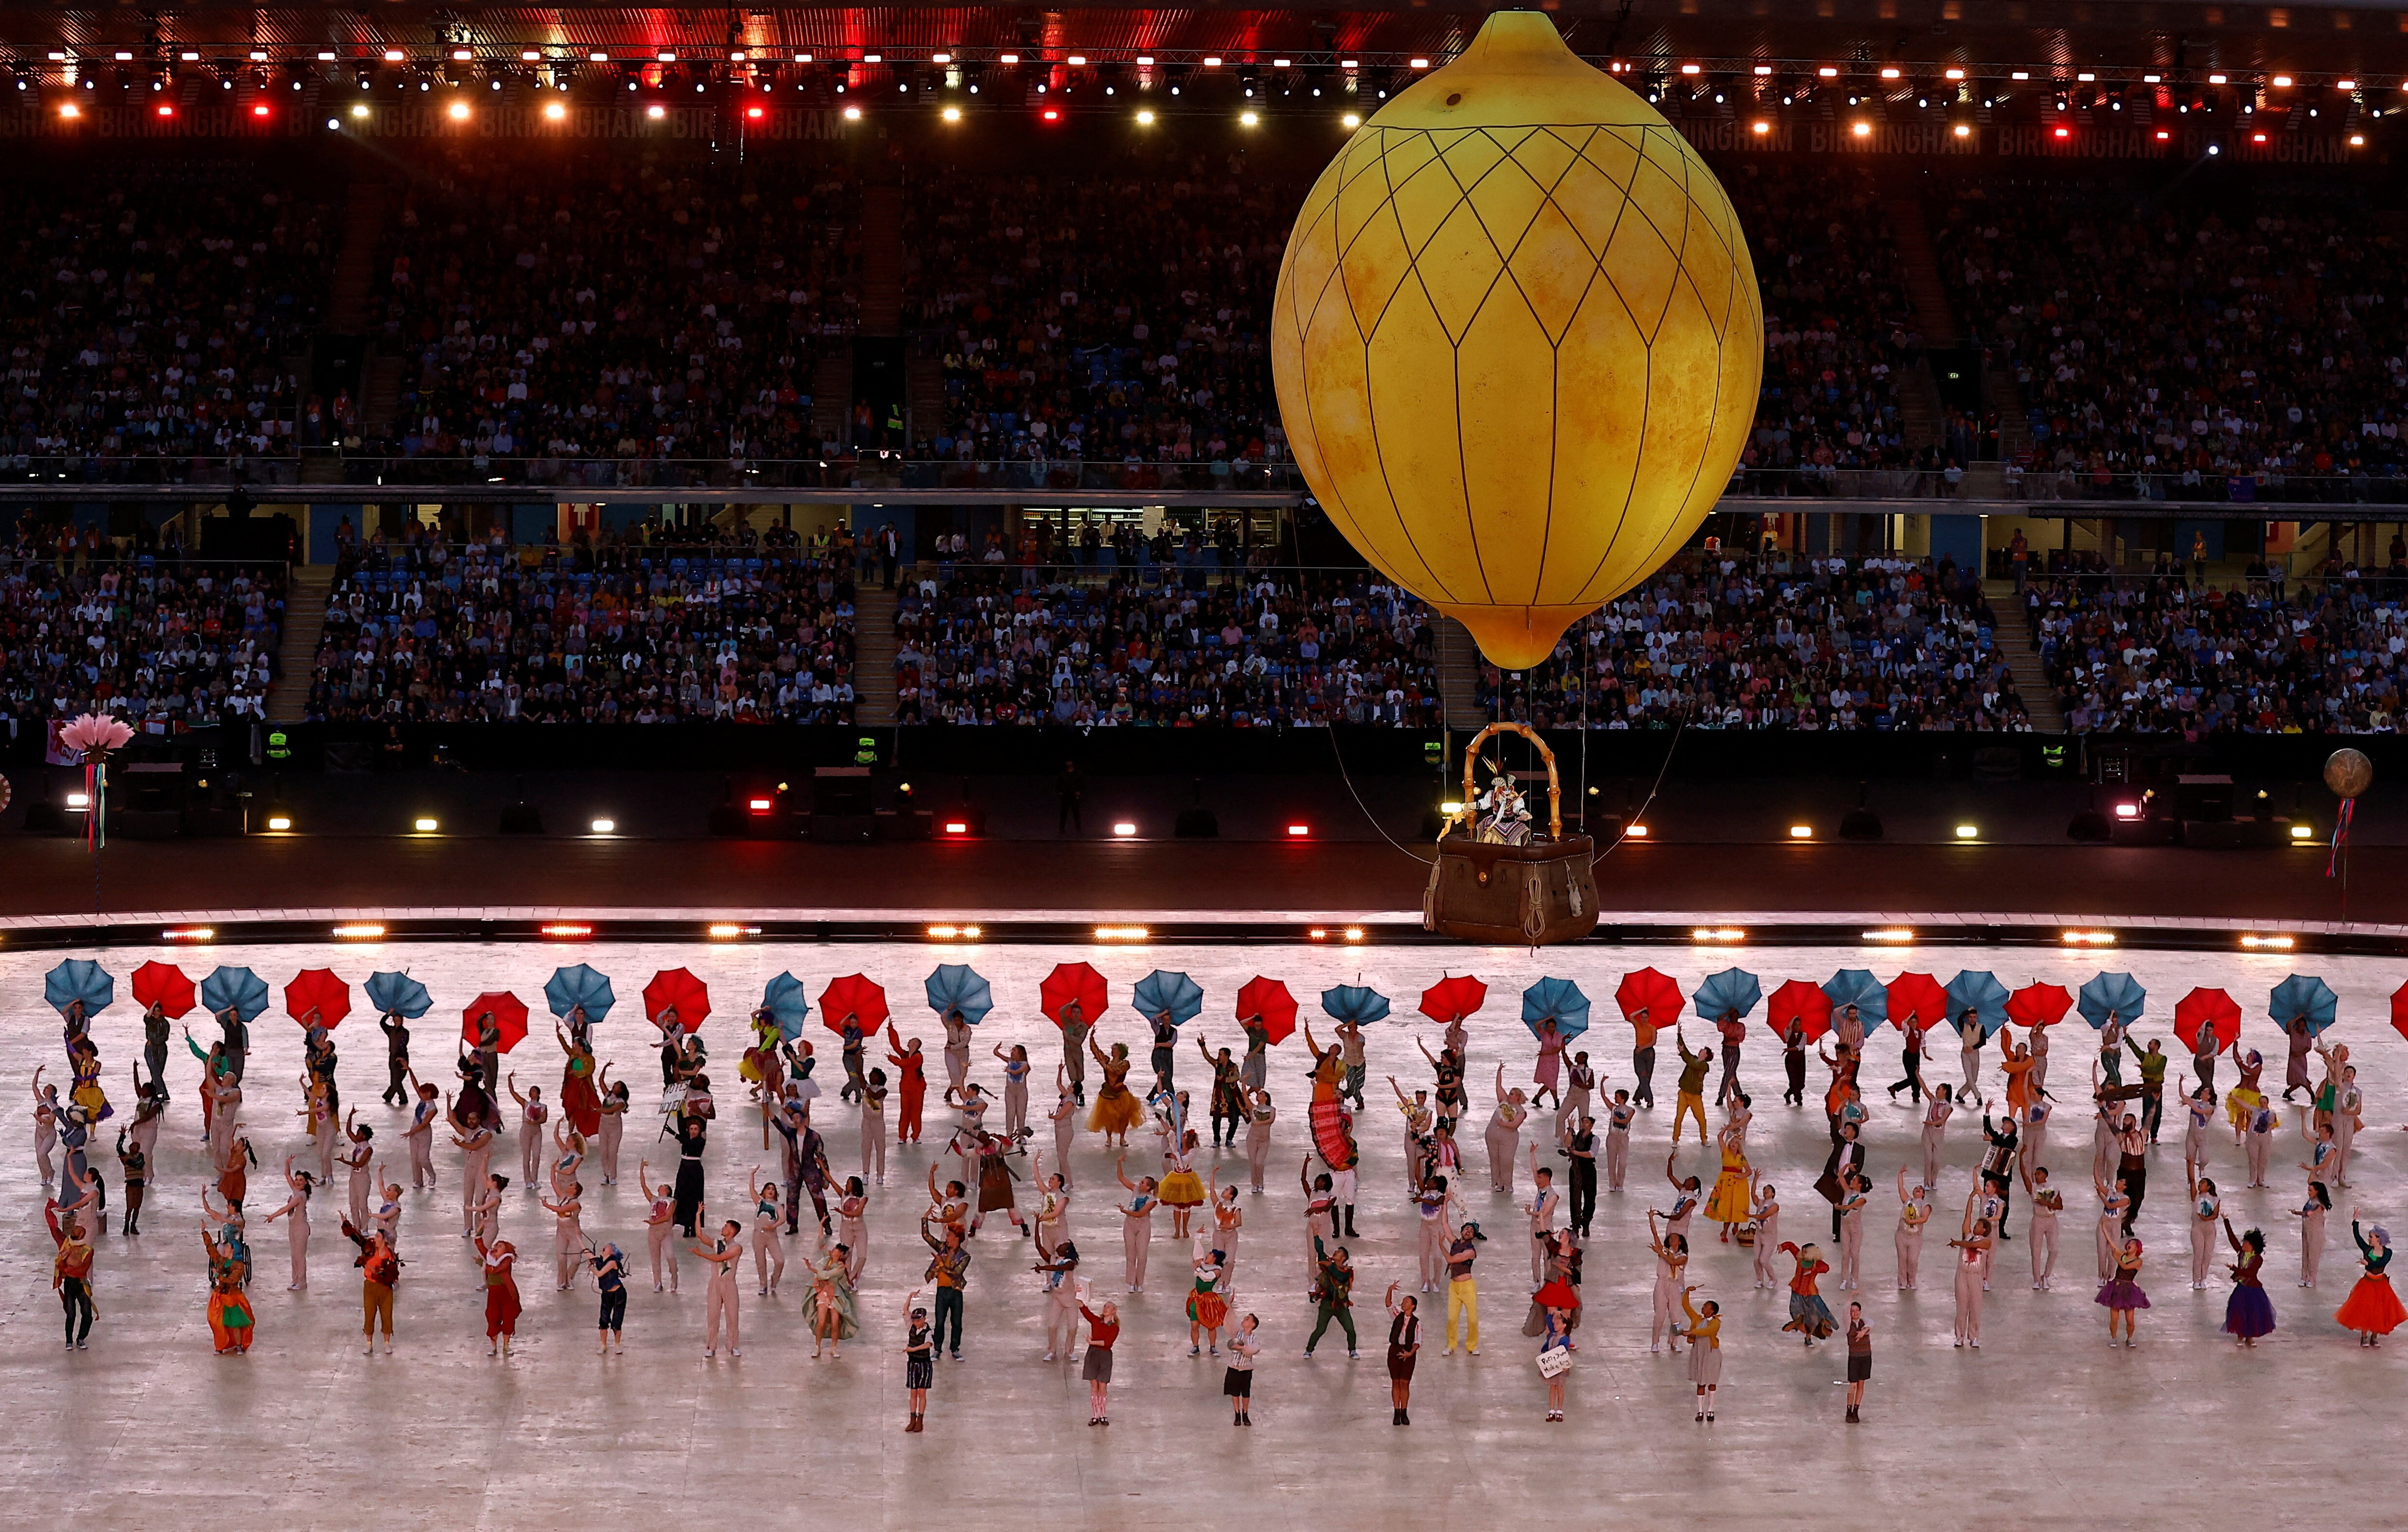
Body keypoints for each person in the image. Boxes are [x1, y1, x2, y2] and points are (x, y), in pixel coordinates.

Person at [2336, 1221, 2406, 1346]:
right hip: (2367, 1283)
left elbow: (2380, 1263)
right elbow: (2358, 1238)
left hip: (2381, 1284)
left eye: (2371, 1237)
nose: (2369, 1239)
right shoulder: (2367, 1249)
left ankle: (2374, 1336)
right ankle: (2364, 1337)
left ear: (2379, 1239)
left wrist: (2367, 1264)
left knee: (2379, 1309)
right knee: (2366, 1308)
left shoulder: (2388, 1253)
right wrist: (2355, 1222)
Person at [342, 1215, 404, 1355]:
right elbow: (358, 1239)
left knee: (386, 1316)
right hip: (370, 1287)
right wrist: (346, 1224)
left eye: (377, 1237)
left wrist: (378, 1272)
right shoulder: (370, 1247)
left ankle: (387, 1344)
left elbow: (393, 1274)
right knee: (369, 1315)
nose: (374, 1239)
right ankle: (369, 1344)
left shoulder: (390, 1257)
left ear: (384, 1240)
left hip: (385, 1289)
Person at [46, 1198, 94, 1349]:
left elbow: (82, 1270)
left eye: (76, 1231)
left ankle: (80, 1338)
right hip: (70, 1284)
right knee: (71, 1315)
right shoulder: (65, 1244)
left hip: (81, 1283)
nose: (74, 1231)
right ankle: (69, 1341)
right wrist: (49, 1210)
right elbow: (54, 1230)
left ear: (81, 1236)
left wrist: (63, 1266)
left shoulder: (87, 1251)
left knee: (87, 1314)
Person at [921, 1213, 971, 1359]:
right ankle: (937, 1349)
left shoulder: (965, 1256)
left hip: (955, 1292)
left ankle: (955, 1348)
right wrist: (925, 1220)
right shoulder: (942, 1248)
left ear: (957, 1239)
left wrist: (941, 1264)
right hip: (942, 1291)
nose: (946, 1238)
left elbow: (956, 1273)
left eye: (949, 1236)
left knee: (956, 1322)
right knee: (940, 1321)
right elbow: (927, 1236)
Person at [693, 1219, 745, 1359]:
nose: (723, 1228)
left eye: (726, 1226)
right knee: (713, 1316)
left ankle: (734, 1346)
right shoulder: (718, 1244)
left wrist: (700, 1254)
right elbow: (700, 1235)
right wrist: (698, 1216)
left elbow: (720, 1258)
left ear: (732, 1231)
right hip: (715, 1283)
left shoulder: (737, 1248)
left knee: (732, 1316)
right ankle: (711, 1346)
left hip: (729, 1284)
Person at [2222, 1218, 2276, 1345]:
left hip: (2254, 1290)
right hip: (2242, 1288)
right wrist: (2226, 1222)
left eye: (2247, 1243)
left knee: (2253, 1314)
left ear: (2253, 1246)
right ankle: (2241, 1336)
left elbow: (2250, 1273)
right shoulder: (2241, 1253)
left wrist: (2235, 1269)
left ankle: (2250, 1337)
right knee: (2239, 1311)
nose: (2244, 1244)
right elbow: (2232, 1240)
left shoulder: (2258, 1259)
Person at [204, 1221, 255, 1354]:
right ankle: (220, 1346)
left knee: (235, 1323)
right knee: (218, 1322)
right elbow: (211, 1250)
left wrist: (218, 1275)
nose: (224, 1250)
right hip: (221, 1296)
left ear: (232, 1250)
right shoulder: (222, 1261)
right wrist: (205, 1233)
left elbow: (232, 1280)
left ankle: (239, 1346)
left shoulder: (239, 1266)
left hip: (232, 1297)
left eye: (227, 1248)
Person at [1305, 1233, 1359, 1359]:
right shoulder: (1328, 1266)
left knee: (1350, 1329)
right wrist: (1316, 1236)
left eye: (1339, 1252)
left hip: (1341, 1305)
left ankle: (1353, 1350)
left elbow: (1339, 1276)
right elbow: (1320, 1251)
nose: (1335, 1252)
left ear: (1344, 1257)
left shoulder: (1347, 1272)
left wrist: (1330, 1266)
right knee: (1320, 1329)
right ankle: (1309, 1350)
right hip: (1327, 1305)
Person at [1676, 1286, 1722, 1422]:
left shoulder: (1716, 1323)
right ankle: (1701, 1411)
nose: (1702, 1308)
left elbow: (1707, 1332)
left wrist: (1691, 1332)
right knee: (1701, 1383)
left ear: (1712, 1311)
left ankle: (1711, 1410)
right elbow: (1686, 1306)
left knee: (1712, 1382)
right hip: (1699, 1353)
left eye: (1705, 1306)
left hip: (1711, 1353)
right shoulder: (1698, 1319)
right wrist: (1687, 1293)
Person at [1646, 1209, 1689, 1354]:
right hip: (1661, 1284)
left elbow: (1673, 1262)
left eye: (1674, 1238)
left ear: (1680, 1241)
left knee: (1676, 1317)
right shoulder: (1664, 1250)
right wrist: (1651, 1218)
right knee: (1660, 1316)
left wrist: (1659, 1253)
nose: (1672, 1240)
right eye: (1670, 1238)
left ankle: (1674, 1342)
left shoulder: (1683, 1256)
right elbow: (1655, 1234)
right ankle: (1655, 1342)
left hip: (1675, 1286)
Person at [1780, 1241, 1836, 1346]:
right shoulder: (1800, 1259)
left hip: (1810, 1294)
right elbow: (1792, 1246)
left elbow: (1826, 1268)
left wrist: (1813, 1271)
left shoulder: (1816, 1263)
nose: (1804, 1253)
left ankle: (1808, 1337)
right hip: (1797, 1292)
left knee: (1812, 1318)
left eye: (1806, 1251)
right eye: (1803, 1251)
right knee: (1795, 1312)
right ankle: (1797, 1325)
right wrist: (1783, 1247)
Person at [1948, 1219, 1993, 1348]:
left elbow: (1973, 1246)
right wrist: (1971, 1200)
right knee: (1962, 1307)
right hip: (1962, 1275)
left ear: (1984, 1230)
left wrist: (1957, 1243)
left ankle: (1974, 1337)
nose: (1975, 1226)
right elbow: (1966, 1221)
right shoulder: (1968, 1237)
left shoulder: (1986, 1242)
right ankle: (1959, 1337)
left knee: (1975, 1307)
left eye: (1979, 1225)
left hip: (1976, 1277)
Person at [2097, 1235, 2149, 1347]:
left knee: (2130, 1320)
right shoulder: (2123, 1255)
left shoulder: (2138, 1261)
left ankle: (2130, 1338)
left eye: (2134, 1244)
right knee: (2114, 1318)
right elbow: (2113, 1245)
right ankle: (2114, 1338)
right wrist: (2105, 1228)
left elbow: (2125, 1267)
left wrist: (2116, 1258)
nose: (2130, 1245)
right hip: (2116, 1287)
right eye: (2130, 1243)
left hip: (2129, 1291)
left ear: (2137, 1248)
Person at [1079, 1297, 1121, 1425]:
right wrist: (1077, 1294)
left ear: (1114, 1311)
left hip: (1105, 1356)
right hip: (1093, 1355)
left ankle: (1103, 1415)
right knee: (1094, 1385)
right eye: (1105, 1306)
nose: (1105, 1308)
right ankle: (1095, 1415)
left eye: (1109, 1307)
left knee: (1102, 1385)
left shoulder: (1115, 1328)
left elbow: (1107, 1344)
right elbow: (1084, 1309)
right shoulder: (1096, 1321)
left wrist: (1092, 1342)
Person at [1384, 1283, 1421, 1424]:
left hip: (1408, 1353)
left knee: (1405, 1383)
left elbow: (1418, 1342)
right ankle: (1396, 1412)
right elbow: (1388, 1304)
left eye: (1406, 1302)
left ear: (1413, 1306)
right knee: (1395, 1382)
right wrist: (1390, 1290)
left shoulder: (1417, 1323)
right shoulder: (1397, 1316)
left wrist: (1409, 1354)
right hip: (1395, 1350)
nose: (1403, 1304)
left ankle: (1404, 1412)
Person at [1670, 1027, 1712, 1145]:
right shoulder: (1692, 1059)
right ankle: (1675, 1139)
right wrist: (1679, 1035)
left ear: (1706, 1055)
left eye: (1704, 1050)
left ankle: (1704, 1139)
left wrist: (1682, 1051)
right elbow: (1686, 1053)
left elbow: (1689, 1059)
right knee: (1679, 1118)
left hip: (1695, 1096)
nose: (1701, 1050)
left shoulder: (1704, 1066)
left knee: (1702, 1119)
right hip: (1684, 1093)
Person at [585, 1241, 629, 1354]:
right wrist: (578, 1239)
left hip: (618, 1294)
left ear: (612, 1252)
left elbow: (600, 1274)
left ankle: (617, 1345)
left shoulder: (613, 1262)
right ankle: (603, 1345)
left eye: (607, 1247)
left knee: (617, 1320)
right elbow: (588, 1254)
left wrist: (592, 1269)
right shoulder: (600, 1261)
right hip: (606, 1294)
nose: (604, 1248)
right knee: (604, 1319)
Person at [902, 1292, 935, 1432]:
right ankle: (912, 1419)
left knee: (922, 1393)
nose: (915, 1322)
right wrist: (910, 1297)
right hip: (913, 1364)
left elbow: (928, 1345)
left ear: (924, 1319)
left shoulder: (928, 1331)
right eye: (914, 1320)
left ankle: (920, 1420)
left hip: (924, 1364)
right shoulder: (912, 1327)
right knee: (913, 1393)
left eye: (917, 1320)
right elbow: (905, 1310)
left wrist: (912, 1349)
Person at [1537, 1300, 1574, 1423]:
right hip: (1552, 1366)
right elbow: (1548, 1319)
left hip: (1560, 1367)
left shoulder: (1565, 1339)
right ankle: (1552, 1410)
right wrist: (1554, 1313)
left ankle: (1560, 1410)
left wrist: (1566, 1366)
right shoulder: (1552, 1336)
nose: (1555, 1325)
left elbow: (1564, 1353)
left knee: (1560, 1388)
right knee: (1553, 1387)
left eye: (1558, 1323)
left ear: (1564, 1325)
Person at [1224, 1312, 1261, 1425]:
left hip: (1246, 1369)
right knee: (1235, 1392)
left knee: (1246, 1393)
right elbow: (1229, 1323)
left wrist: (1242, 1347)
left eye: (1248, 1319)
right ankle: (1237, 1414)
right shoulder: (1237, 1333)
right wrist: (1230, 1306)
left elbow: (1254, 1349)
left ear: (1253, 1325)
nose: (1245, 1319)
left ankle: (1245, 1414)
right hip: (1234, 1368)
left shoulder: (1254, 1339)